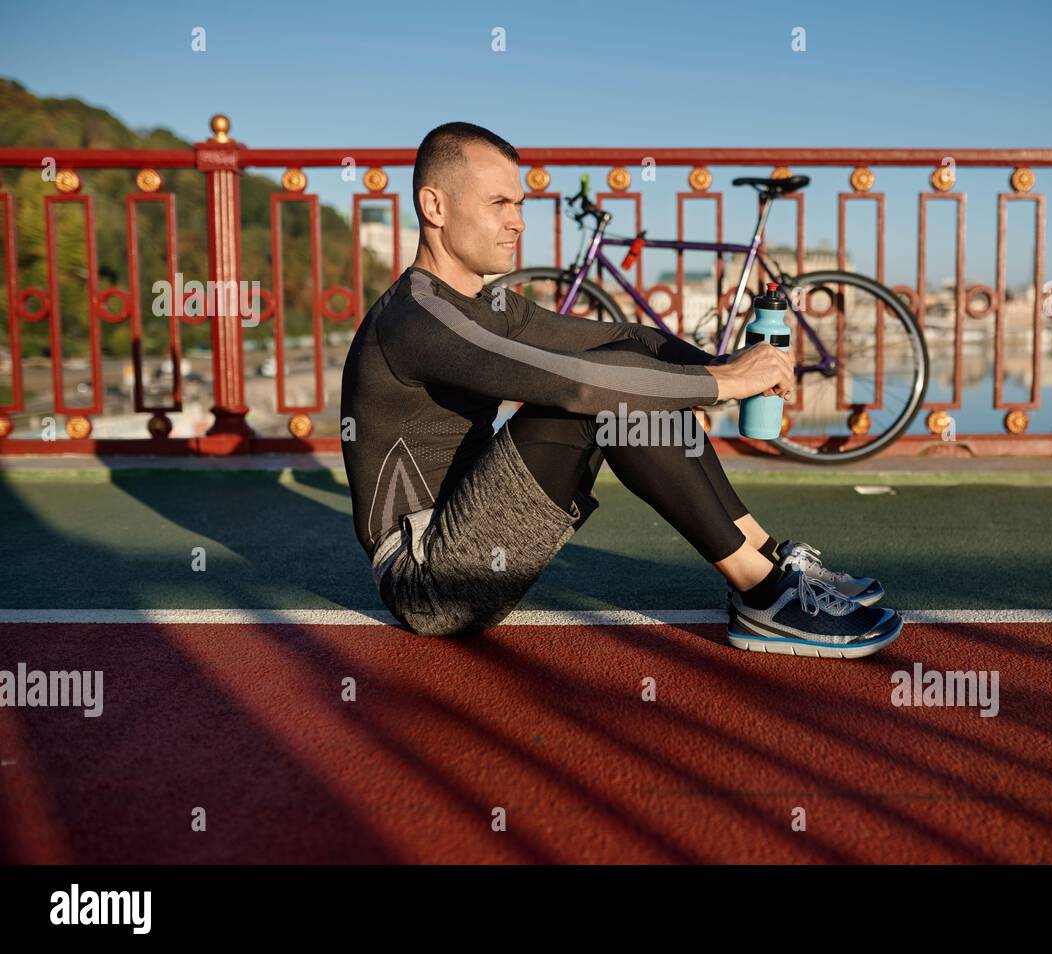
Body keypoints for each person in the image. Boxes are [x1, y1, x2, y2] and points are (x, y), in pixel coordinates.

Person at [339, 122, 903, 658]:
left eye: (520, 205)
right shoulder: (416, 317)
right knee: (606, 397)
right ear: (435, 206)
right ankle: (762, 597)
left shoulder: (489, 304)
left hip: (473, 534)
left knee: (629, 367)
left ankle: (768, 558)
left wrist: (723, 363)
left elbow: (626, 336)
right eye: (498, 205)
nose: (517, 223)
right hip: (432, 581)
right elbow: (578, 386)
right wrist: (725, 383)